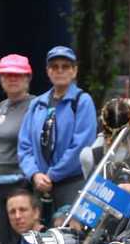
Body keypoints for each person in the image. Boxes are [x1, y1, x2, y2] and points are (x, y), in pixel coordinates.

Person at [17, 46, 97, 212]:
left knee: (67, 234)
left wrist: (52, 175)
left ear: (74, 71)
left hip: (71, 183)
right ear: (48, 71)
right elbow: (24, 146)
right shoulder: (37, 104)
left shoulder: (82, 101)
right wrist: (35, 174)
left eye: (65, 66)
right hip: (39, 185)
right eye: (54, 66)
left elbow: (80, 146)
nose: (59, 70)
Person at [0, 53, 34, 244]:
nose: (12, 78)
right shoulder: (1, 106)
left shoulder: (34, 105)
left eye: (17, 74)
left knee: (21, 242)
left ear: (28, 77)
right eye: (6, 75)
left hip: (18, 184)